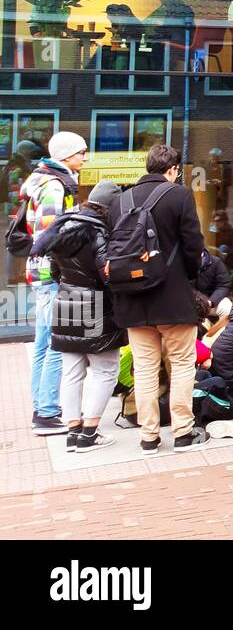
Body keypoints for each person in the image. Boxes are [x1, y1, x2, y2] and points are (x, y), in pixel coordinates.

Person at [107, 144, 209, 453]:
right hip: (173, 297)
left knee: (145, 368)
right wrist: (191, 274)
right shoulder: (179, 195)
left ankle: (148, 436)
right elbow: (193, 245)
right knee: (181, 365)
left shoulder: (119, 201)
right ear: (173, 169)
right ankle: (182, 433)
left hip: (133, 298)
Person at [32, 180, 126, 452]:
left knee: (72, 372)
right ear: (110, 207)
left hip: (66, 300)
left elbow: (55, 270)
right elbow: (106, 273)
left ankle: (73, 431)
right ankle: (89, 434)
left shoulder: (63, 225)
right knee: (105, 371)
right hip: (95, 304)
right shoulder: (98, 231)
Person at [21, 131, 89, 435]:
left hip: (40, 273)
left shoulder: (42, 180)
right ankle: (47, 413)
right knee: (57, 343)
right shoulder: (55, 186)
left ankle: (41, 406)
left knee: (43, 341)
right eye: (81, 152)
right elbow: (49, 235)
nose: (85, 157)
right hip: (51, 274)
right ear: (66, 155)